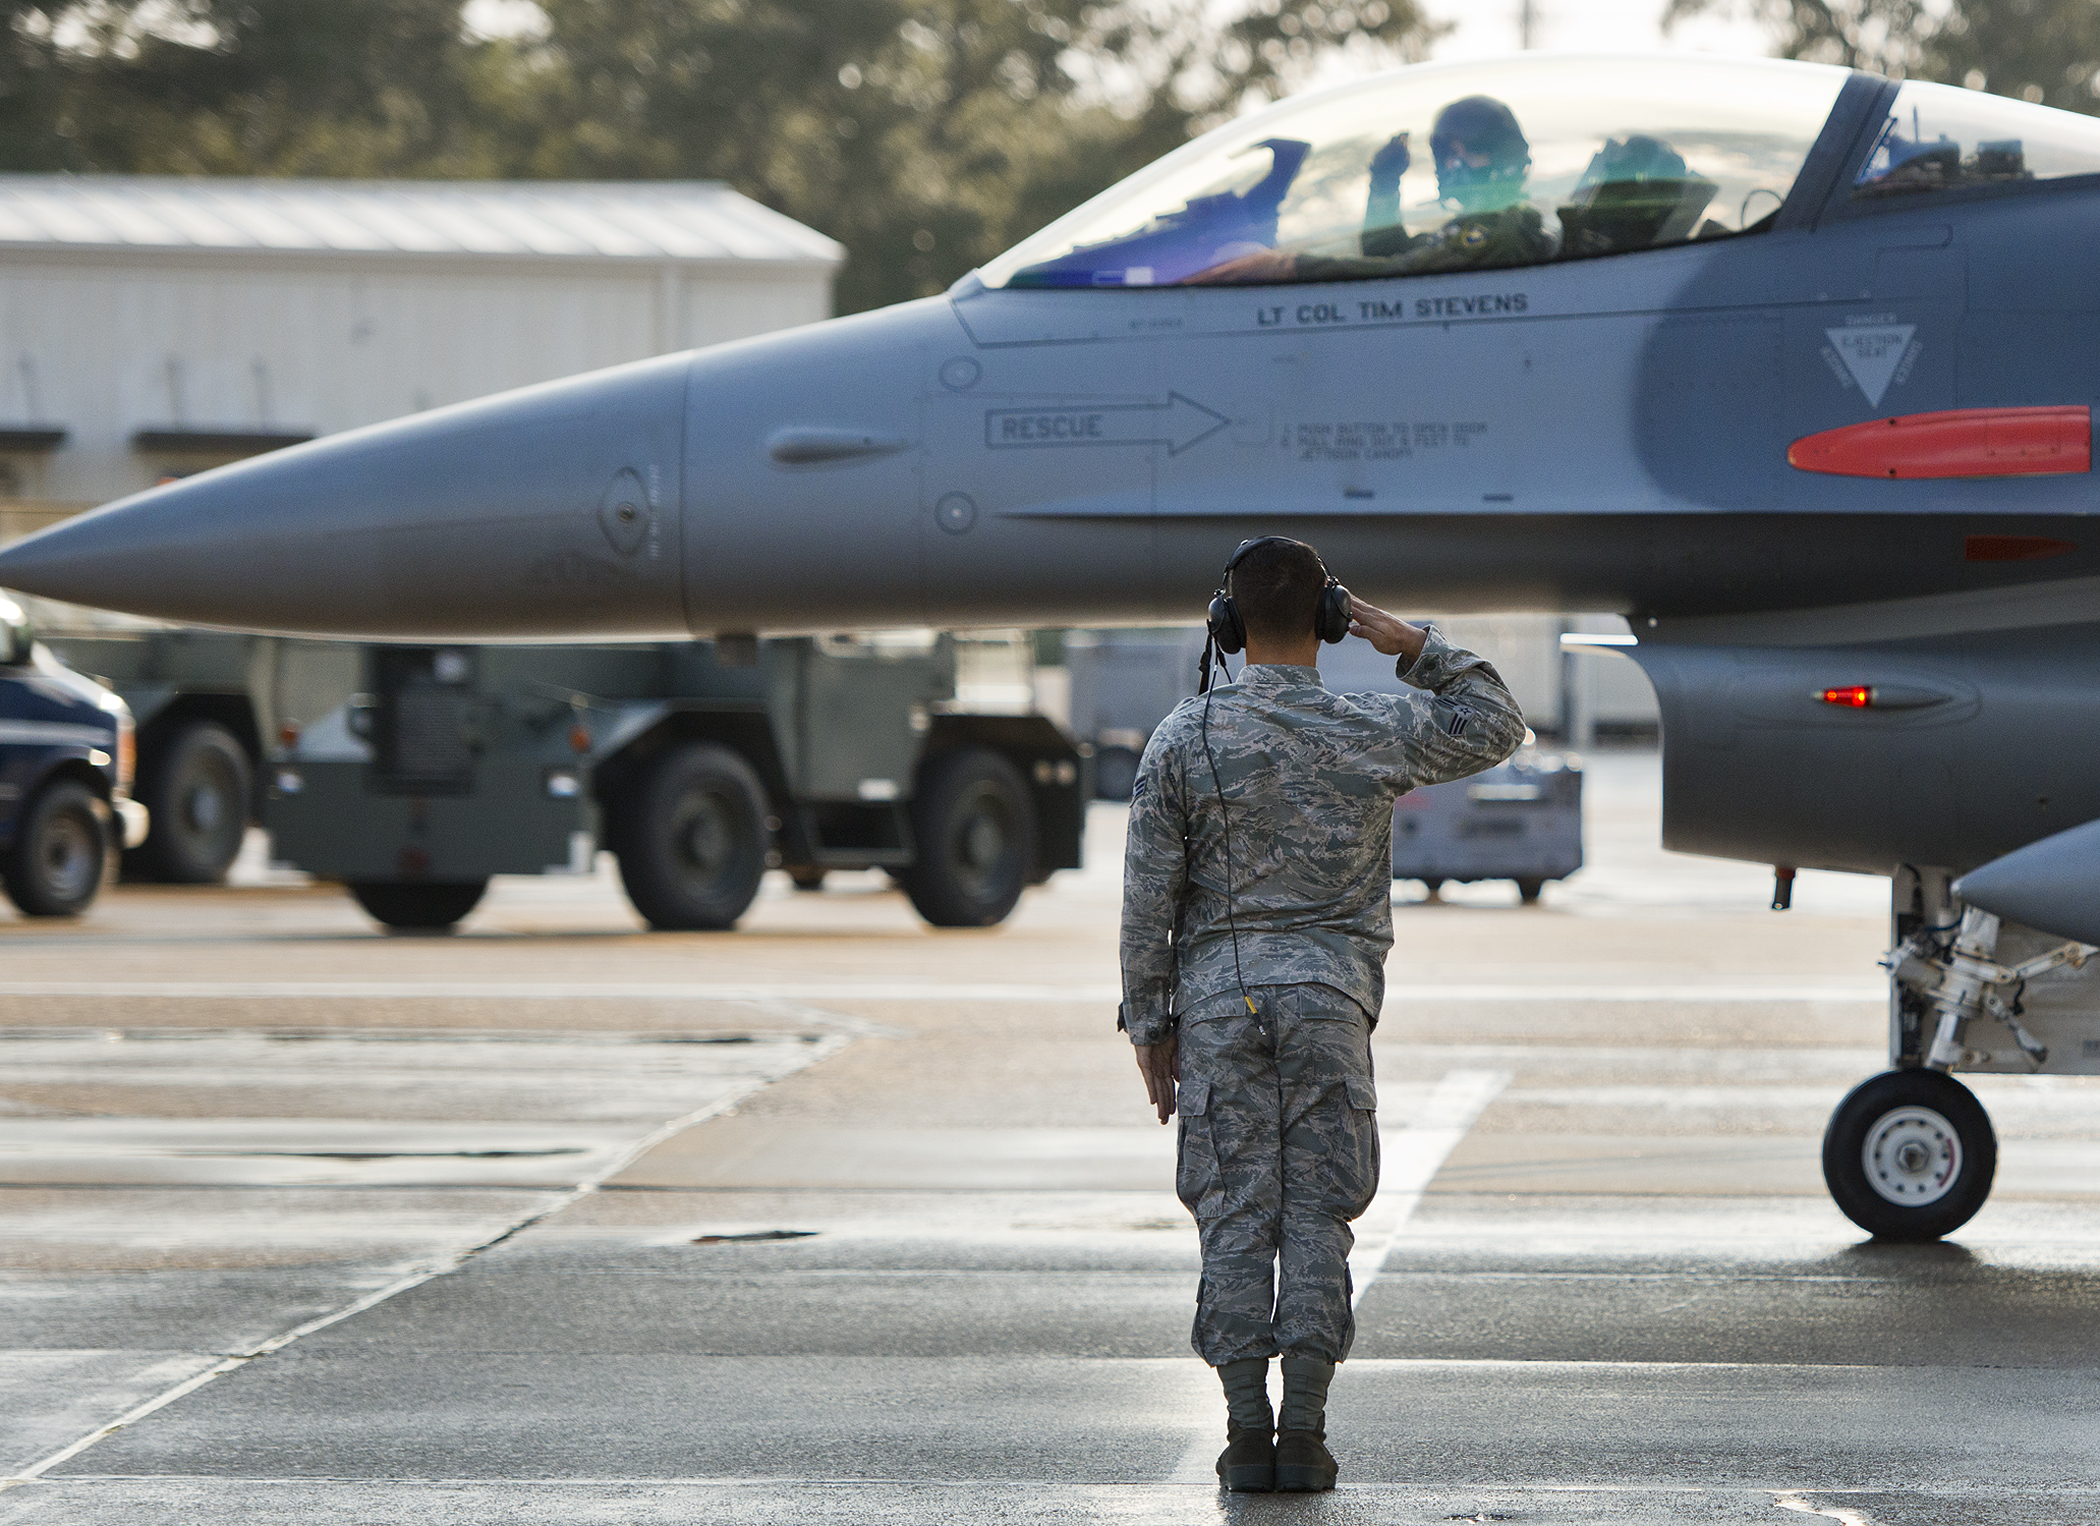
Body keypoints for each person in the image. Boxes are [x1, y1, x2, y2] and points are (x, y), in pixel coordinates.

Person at [1118, 537, 1523, 1492]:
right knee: (1317, 1215)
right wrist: (1412, 642)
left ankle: (1243, 1434)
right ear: (1332, 619)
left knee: (1233, 1213)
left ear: (1227, 622)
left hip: (1219, 1009)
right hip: (1331, 1006)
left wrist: (1151, 1026)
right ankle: (1303, 1432)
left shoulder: (1185, 736)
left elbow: (1147, 898)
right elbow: (1497, 723)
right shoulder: (1371, 726)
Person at [1189, 94, 1556, 285]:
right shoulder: (1481, 228)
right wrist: (1384, 184)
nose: (1444, 167)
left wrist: (1286, 267)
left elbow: (1397, 274)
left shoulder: (1496, 233)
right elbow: (1387, 252)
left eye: (1451, 154)